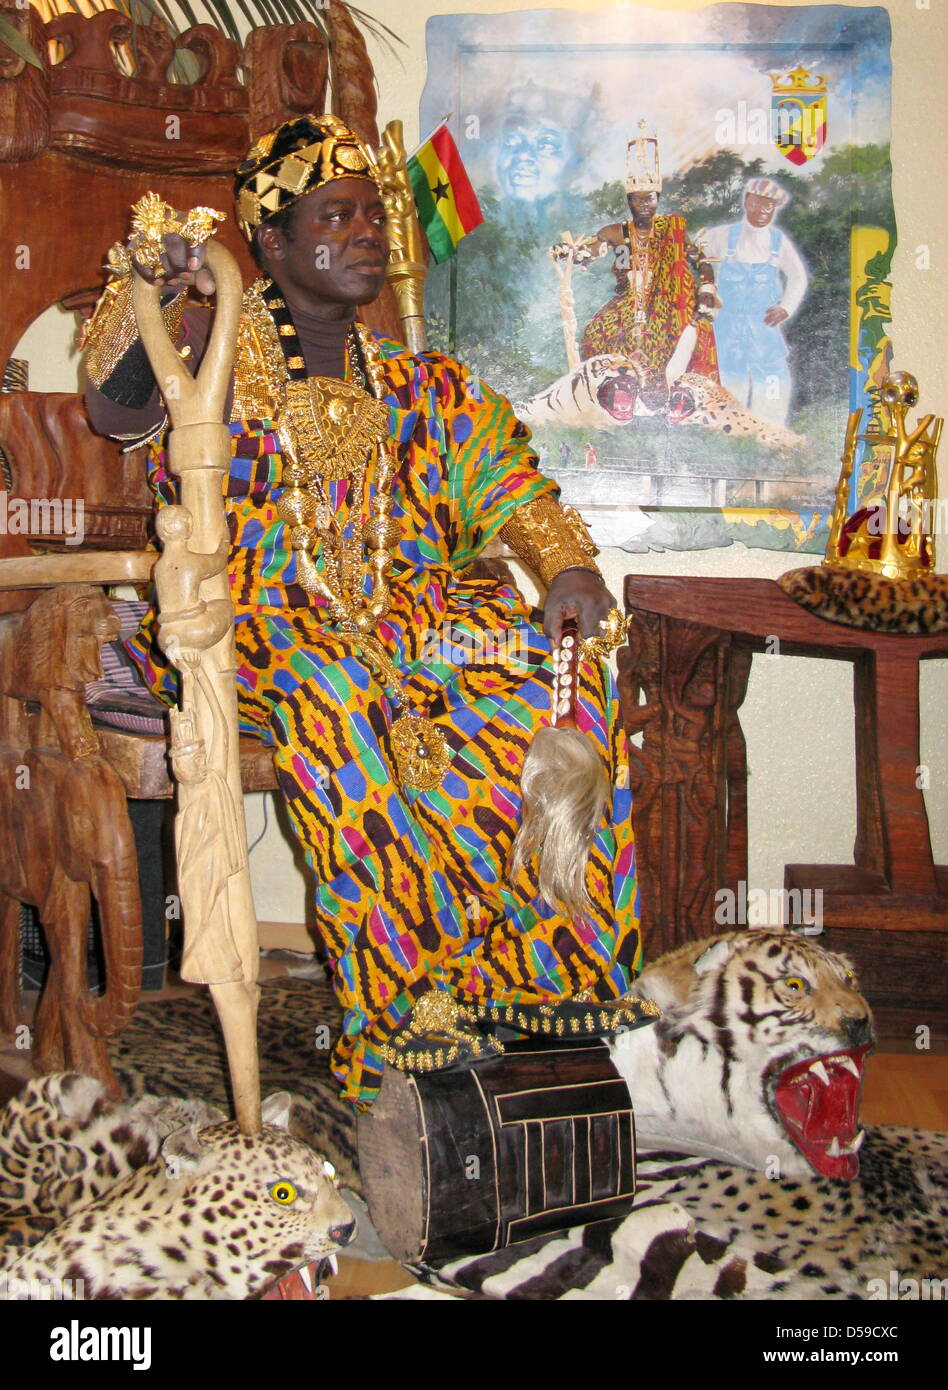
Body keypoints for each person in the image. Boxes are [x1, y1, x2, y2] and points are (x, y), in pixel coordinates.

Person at [83, 115, 652, 1107]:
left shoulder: (423, 385)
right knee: (342, 691)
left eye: (374, 215)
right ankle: (401, 1008)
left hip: (415, 631)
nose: (367, 234)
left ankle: (551, 969)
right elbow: (116, 410)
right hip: (252, 631)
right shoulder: (225, 362)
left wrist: (565, 567)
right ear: (270, 242)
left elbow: (520, 495)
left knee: (551, 683)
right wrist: (169, 284)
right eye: (336, 215)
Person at [577, 125, 719, 397]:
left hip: (666, 302)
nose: (644, 204)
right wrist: (576, 253)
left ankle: (674, 398)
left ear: (658, 200)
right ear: (629, 201)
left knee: (677, 336)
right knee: (595, 331)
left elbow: (701, 261)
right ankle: (613, 395)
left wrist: (707, 291)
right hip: (626, 302)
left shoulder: (671, 231)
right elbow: (593, 249)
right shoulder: (615, 232)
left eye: (650, 199)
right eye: (637, 199)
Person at [697, 177, 808, 426]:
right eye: (759, 203)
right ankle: (727, 433)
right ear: (747, 201)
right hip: (726, 324)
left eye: (771, 206)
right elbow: (695, 258)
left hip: (763, 325)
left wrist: (786, 307)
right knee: (726, 377)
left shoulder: (778, 241)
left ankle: (770, 434)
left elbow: (798, 277)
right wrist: (705, 291)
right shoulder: (721, 236)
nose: (764, 211)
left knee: (771, 377)